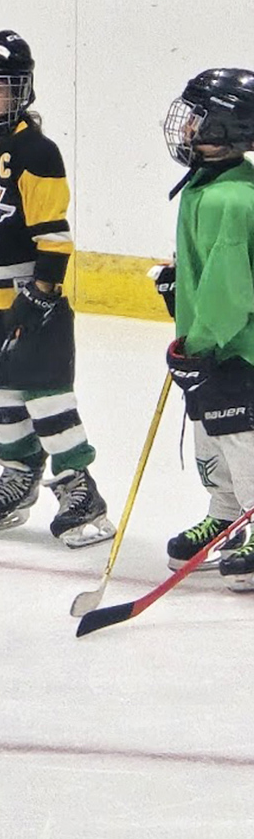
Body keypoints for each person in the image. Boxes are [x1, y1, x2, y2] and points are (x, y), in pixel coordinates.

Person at [0, 30, 114, 547]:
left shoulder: (36, 151)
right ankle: (19, 472)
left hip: (30, 301)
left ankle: (80, 487)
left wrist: (42, 291)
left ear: (19, 92)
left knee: (48, 397)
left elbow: (53, 235)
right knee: (0, 396)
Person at [159, 67, 254, 590]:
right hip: (214, 341)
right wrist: (179, 280)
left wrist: (199, 342)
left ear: (226, 128)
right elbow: (209, 265)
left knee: (239, 432)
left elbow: (231, 288)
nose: (187, 125)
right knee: (209, 429)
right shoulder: (208, 183)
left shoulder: (230, 198)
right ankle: (225, 515)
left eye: (198, 117)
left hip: (237, 346)